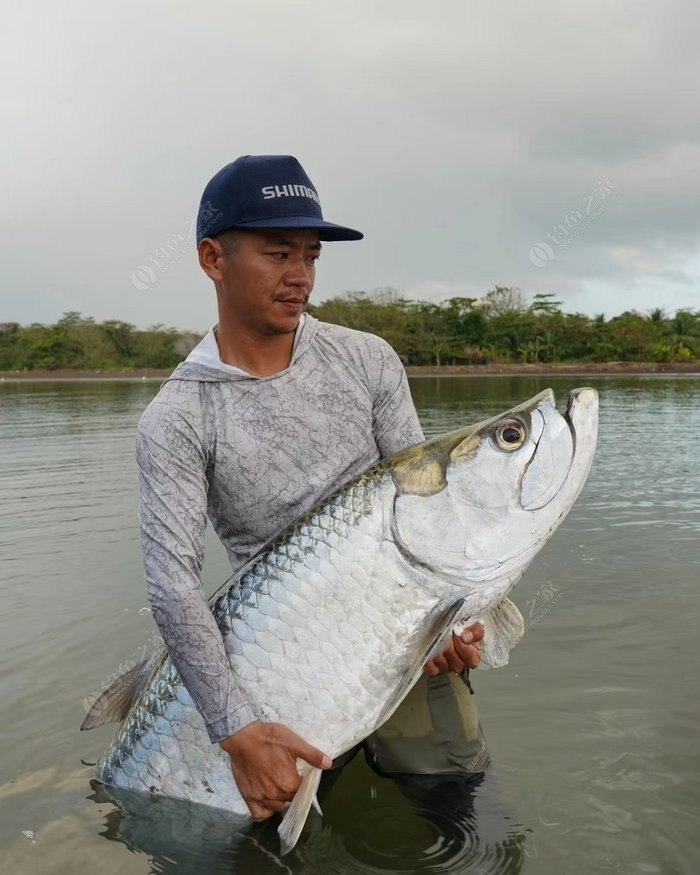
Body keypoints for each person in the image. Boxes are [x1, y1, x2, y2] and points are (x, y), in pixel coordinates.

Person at [136, 155, 488, 823]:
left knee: (462, 815)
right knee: (253, 845)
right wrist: (237, 730)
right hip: (280, 660)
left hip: (402, 634)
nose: (300, 275)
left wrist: (455, 617)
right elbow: (174, 587)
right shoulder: (176, 418)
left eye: (311, 255)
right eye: (277, 253)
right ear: (213, 258)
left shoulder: (367, 359)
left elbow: (428, 502)